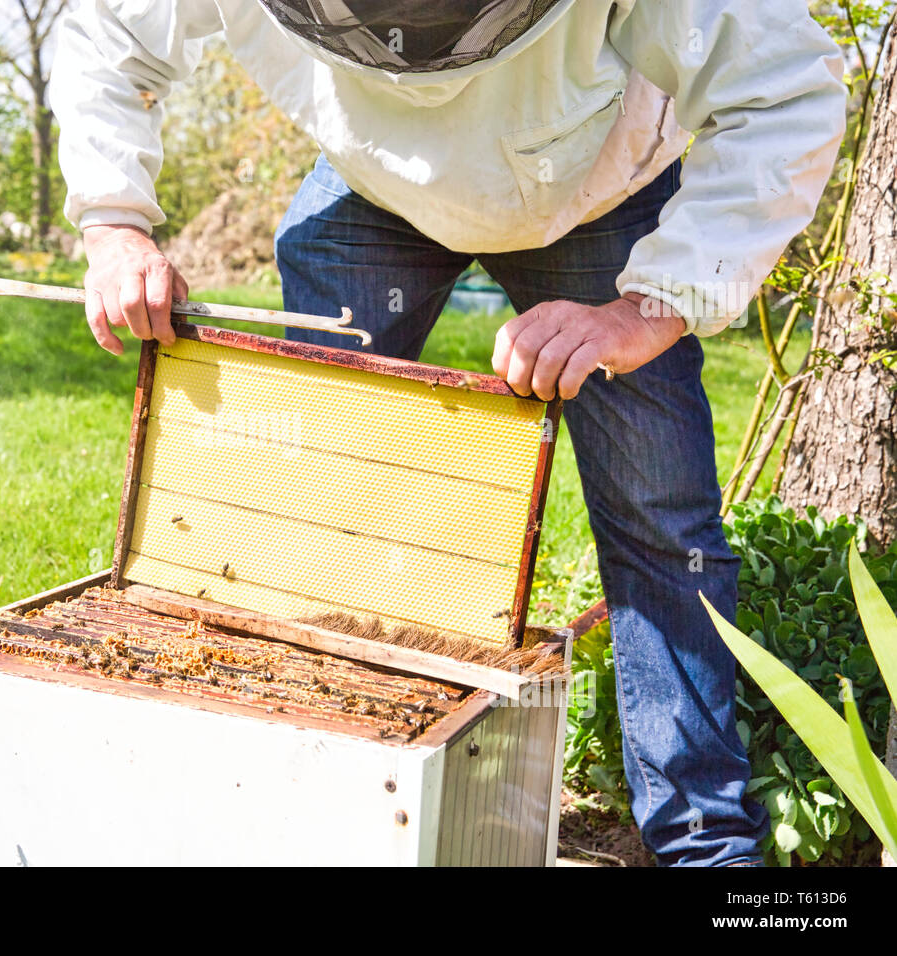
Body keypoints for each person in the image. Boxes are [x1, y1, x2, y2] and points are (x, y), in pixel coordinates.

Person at [49, 0, 847, 865]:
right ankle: (315, 780)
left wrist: (648, 309)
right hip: (371, 187)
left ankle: (709, 846)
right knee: (314, 497)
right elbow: (108, 29)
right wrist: (115, 221)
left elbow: (787, 92)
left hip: (596, 189)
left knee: (662, 524)